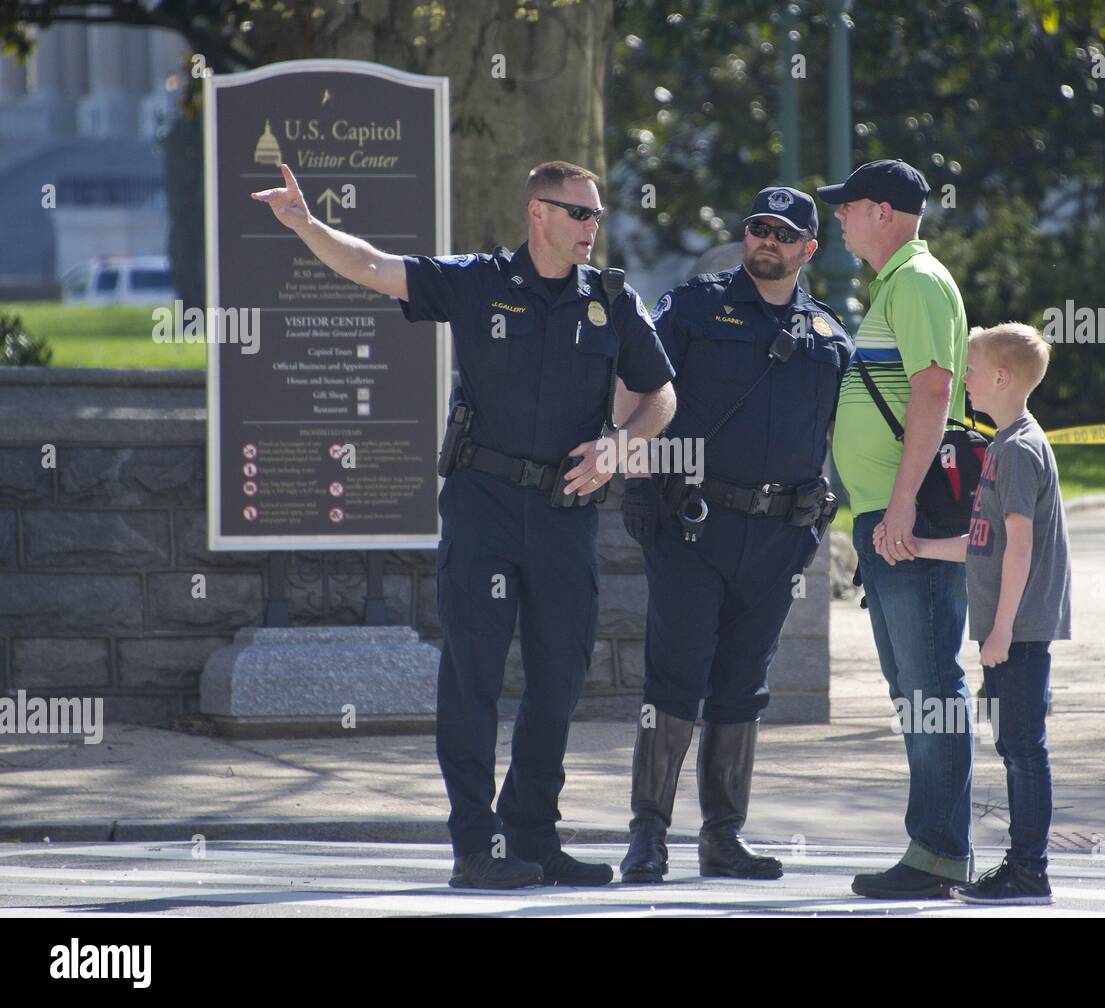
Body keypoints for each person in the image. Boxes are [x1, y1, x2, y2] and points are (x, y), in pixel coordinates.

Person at [252, 160, 676, 889]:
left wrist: (619, 446)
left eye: (597, 215)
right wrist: (307, 224)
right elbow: (377, 267)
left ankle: (534, 837)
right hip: (484, 503)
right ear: (537, 213)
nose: (591, 228)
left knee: (559, 676)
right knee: (474, 672)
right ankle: (477, 845)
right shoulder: (479, 281)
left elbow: (661, 395)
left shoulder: (611, 300)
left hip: (566, 510)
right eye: (578, 214)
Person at [617, 187, 853, 884]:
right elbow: (641, 383)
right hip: (693, 526)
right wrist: (635, 475)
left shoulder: (829, 336)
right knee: (673, 681)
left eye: (783, 234)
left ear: (809, 249)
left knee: (743, 687)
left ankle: (722, 837)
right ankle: (647, 836)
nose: (766, 242)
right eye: (758, 229)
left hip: (781, 537)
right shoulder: (694, 306)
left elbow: (846, 435)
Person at [817, 159, 975, 898]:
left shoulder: (914, 281)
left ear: (881, 211)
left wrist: (904, 503)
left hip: (903, 517)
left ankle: (938, 852)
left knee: (928, 684)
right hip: (889, 515)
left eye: (845, 208)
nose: (838, 219)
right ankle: (934, 848)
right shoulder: (901, 282)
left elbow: (934, 389)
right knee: (914, 686)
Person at [877, 323, 1071, 905]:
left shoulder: (1015, 450)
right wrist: (921, 547)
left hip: (1019, 628)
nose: (965, 379)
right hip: (1010, 627)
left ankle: (1028, 872)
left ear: (1002, 378)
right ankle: (1022, 868)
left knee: (1021, 748)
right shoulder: (1006, 443)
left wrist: (1003, 628)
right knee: (1015, 745)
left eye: (974, 370)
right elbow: (982, 541)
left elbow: (1019, 543)